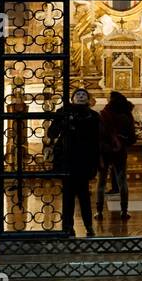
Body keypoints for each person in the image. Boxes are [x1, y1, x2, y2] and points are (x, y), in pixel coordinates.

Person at [48, 88, 101, 237]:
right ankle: (68, 226)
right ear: (72, 98)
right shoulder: (64, 112)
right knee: (68, 196)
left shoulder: (93, 115)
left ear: (88, 99)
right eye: (78, 94)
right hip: (67, 158)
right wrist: (63, 121)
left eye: (84, 94)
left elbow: (96, 139)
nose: (81, 96)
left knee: (84, 195)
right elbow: (52, 132)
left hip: (84, 158)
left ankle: (88, 225)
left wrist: (95, 162)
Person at [97, 91, 136, 220]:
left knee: (101, 182)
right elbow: (132, 137)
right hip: (120, 151)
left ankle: (99, 212)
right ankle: (124, 211)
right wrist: (122, 141)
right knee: (122, 181)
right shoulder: (126, 114)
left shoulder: (104, 114)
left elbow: (99, 134)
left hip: (104, 151)